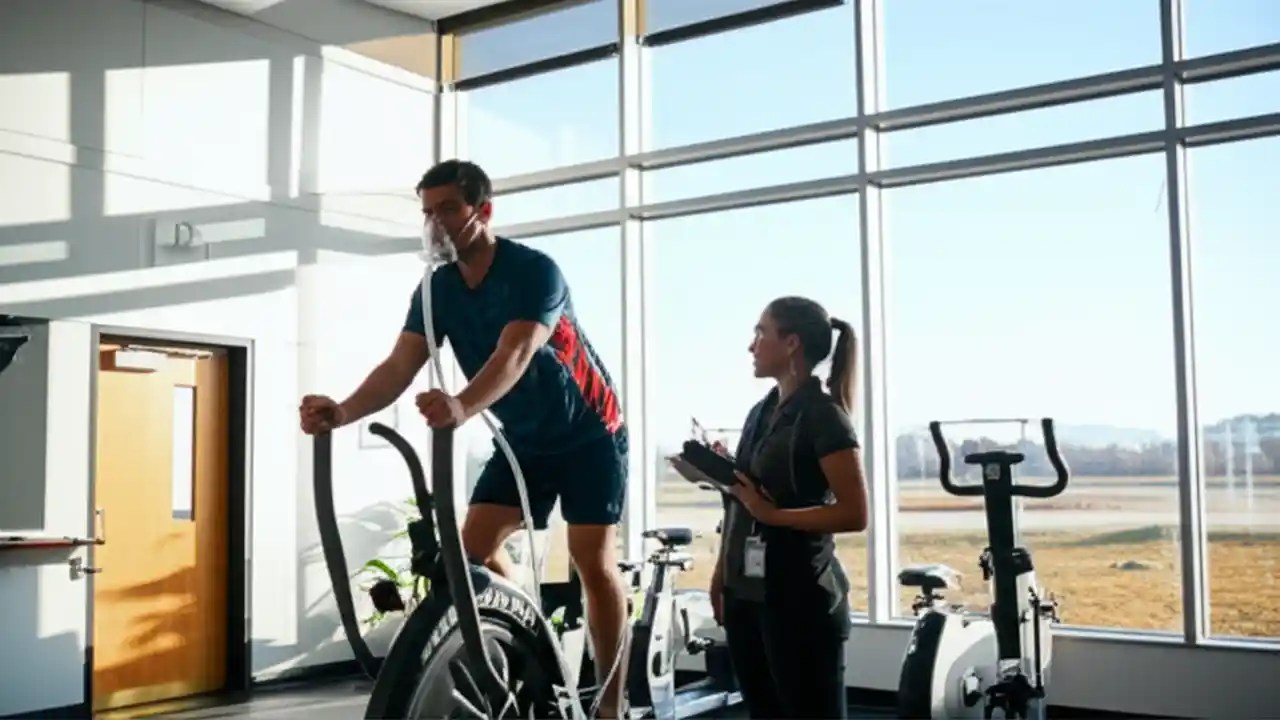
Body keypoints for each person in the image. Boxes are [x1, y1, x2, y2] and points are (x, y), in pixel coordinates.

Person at [298, 159, 631, 716]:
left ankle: (611, 705)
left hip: (588, 434)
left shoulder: (534, 272)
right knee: (470, 559)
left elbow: (516, 353)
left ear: (483, 209)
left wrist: (460, 405)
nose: (436, 223)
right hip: (523, 438)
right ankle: (530, 637)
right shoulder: (437, 289)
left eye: (448, 209)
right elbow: (399, 366)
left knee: (590, 562)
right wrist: (343, 410)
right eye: (427, 212)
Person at [710, 295, 869, 719]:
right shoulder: (760, 411)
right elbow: (740, 498)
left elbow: (855, 513)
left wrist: (773, 515)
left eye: (761, 332)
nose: (752, 345)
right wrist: (722, 574)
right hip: (747, 592)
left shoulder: (825, 416)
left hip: (799, 596)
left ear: (792, 343)